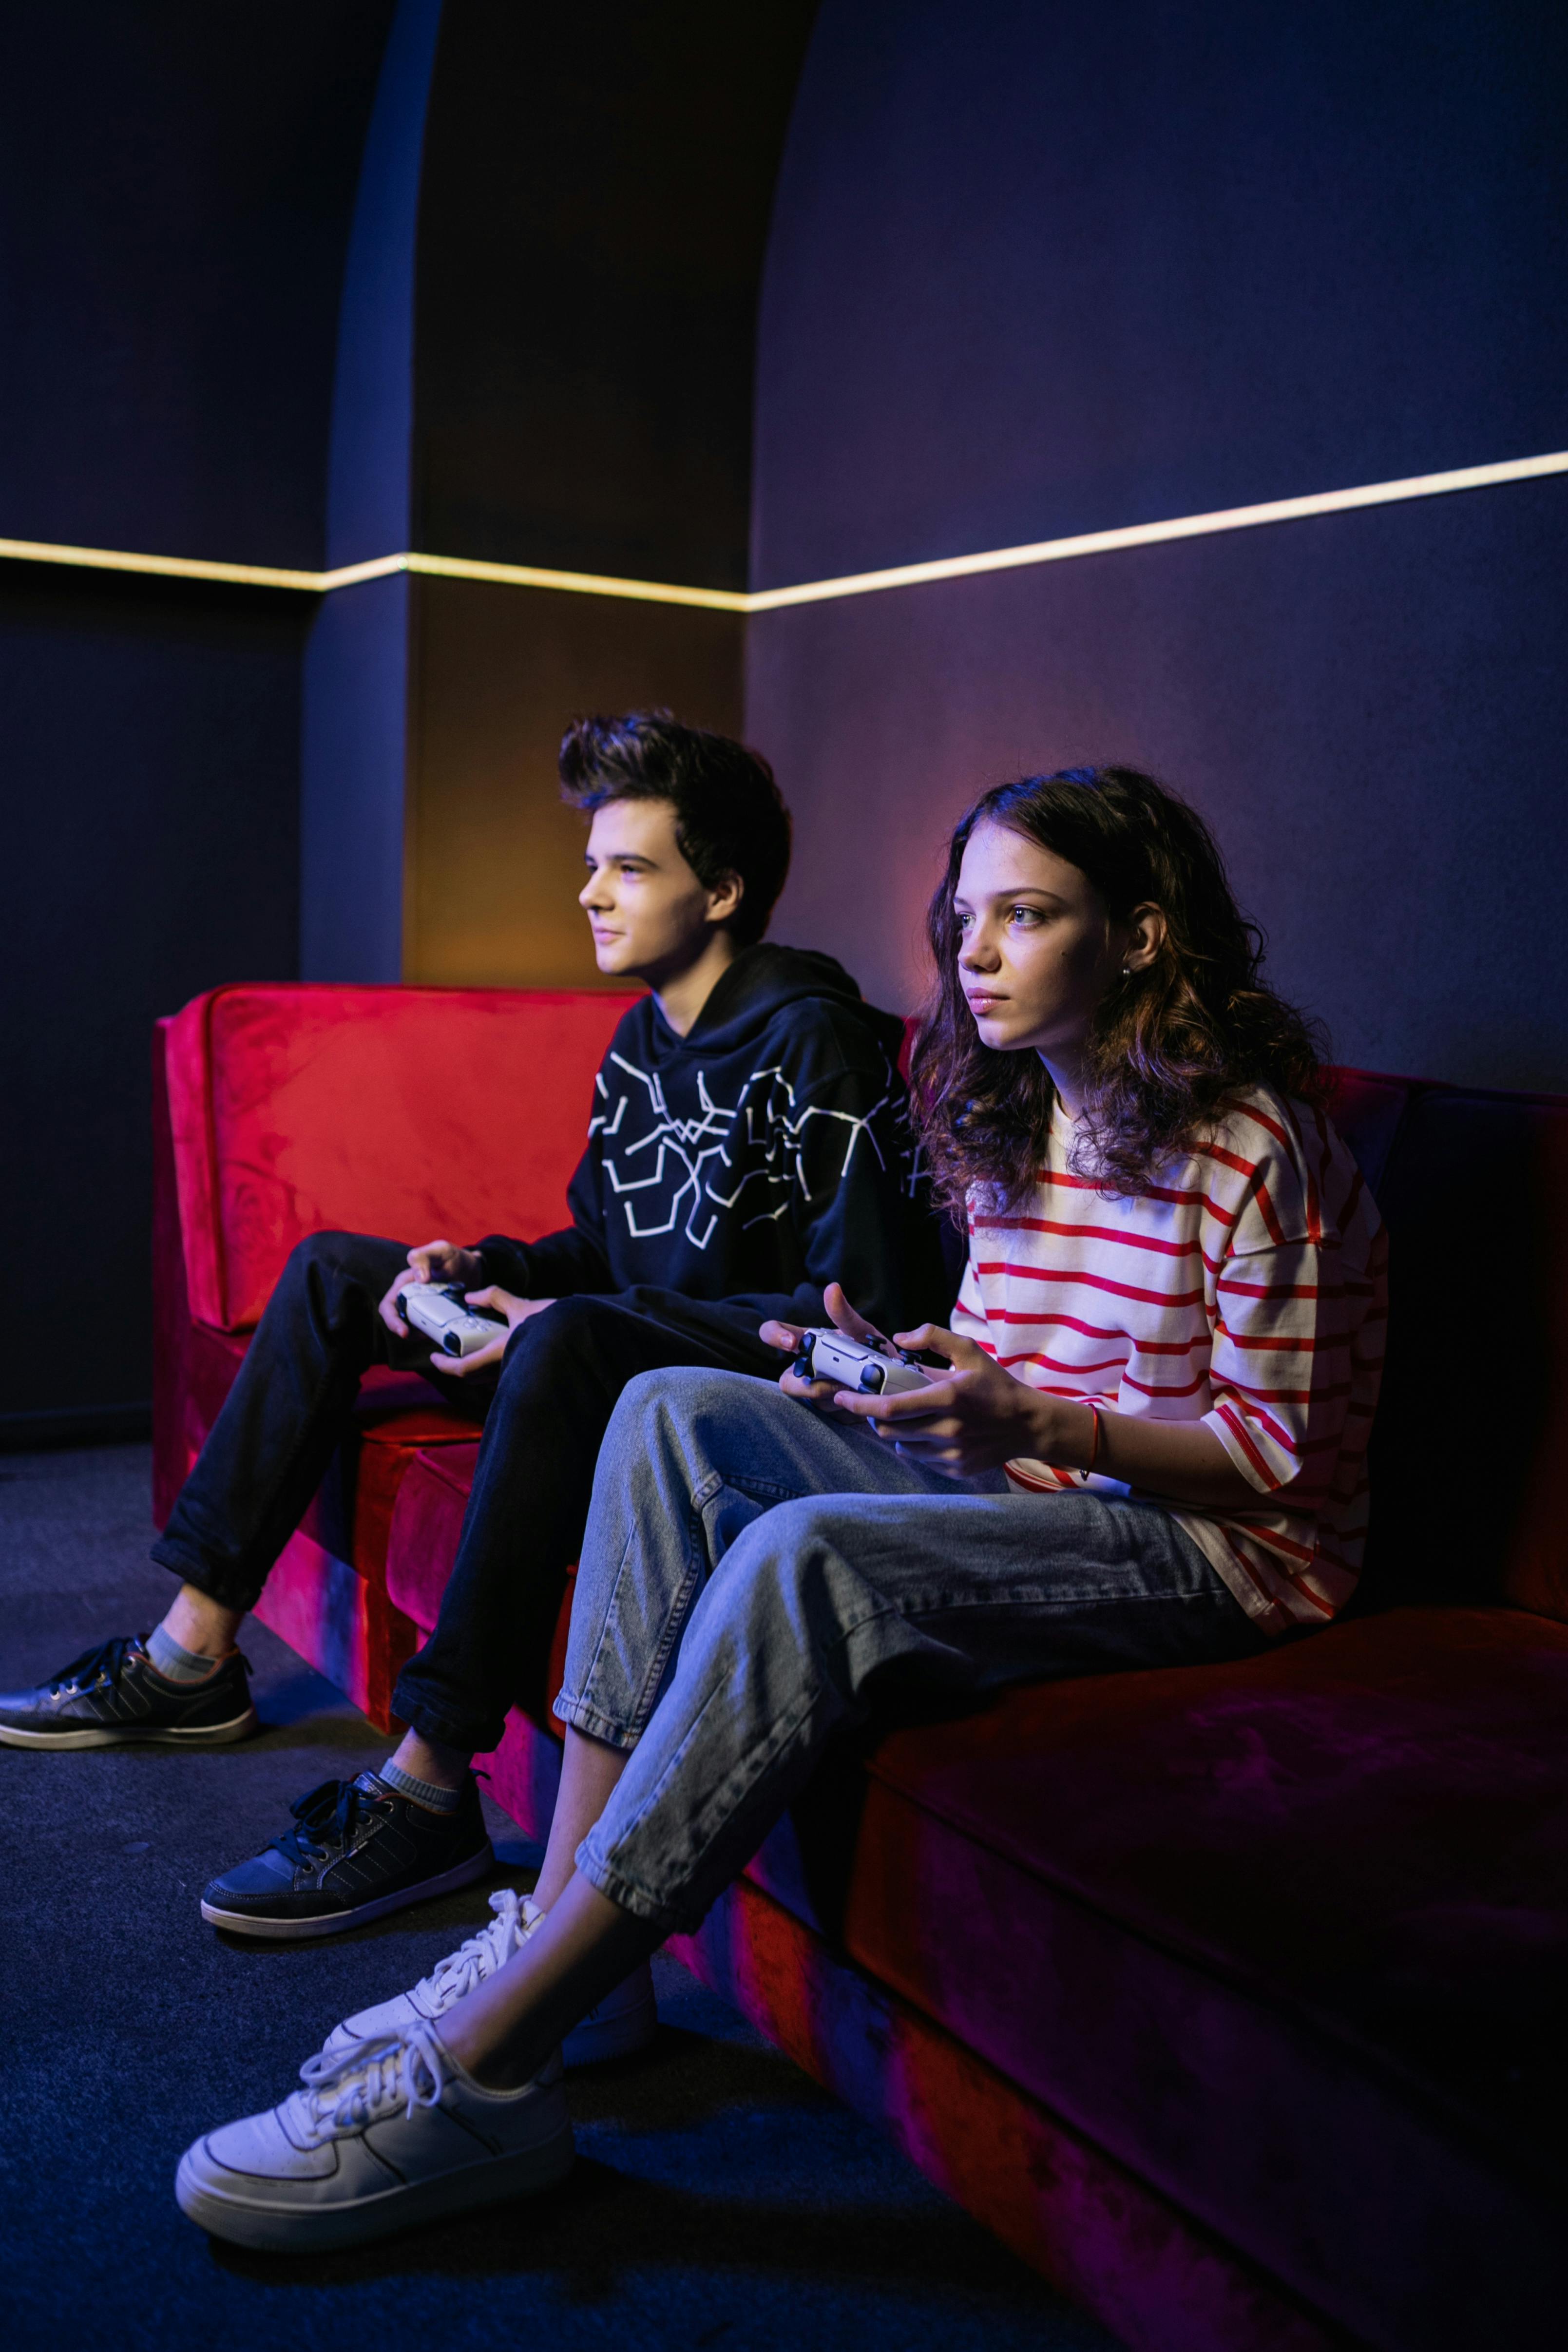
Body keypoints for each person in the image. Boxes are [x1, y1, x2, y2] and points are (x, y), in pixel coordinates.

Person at [174, 763, 1388, 2249]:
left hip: (1220, 1551)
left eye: (1027, 915)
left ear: (1138, 935)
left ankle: (494, 2059)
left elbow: (1274, 1457)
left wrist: (1034, 1415)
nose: (976, 954)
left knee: (805, 1551)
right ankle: (578, 1947)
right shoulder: (1010, 1117)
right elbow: (998, 1367)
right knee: (670, 1410)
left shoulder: (1256, 1141)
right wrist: (907, 1375)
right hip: (1033, 1479)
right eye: (963, 920)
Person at [1, 714, 946, 2018]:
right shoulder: (641, 1040)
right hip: (592, 1344)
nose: (588, 890)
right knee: (343, 1266)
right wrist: (492, 1270)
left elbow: (865, 1308)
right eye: (592, 861)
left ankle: (429, 1781)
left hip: (710, 1398)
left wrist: (566, 1319)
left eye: (627, 866)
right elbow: (604, 1245)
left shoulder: (814, 1038)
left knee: (561, 1336)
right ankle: (191, 1653)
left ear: (720, 892)